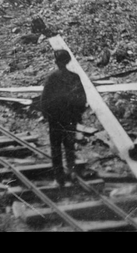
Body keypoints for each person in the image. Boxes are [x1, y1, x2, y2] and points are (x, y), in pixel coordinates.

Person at [37, 49, 88, 185]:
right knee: (69, 146)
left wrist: (46, 115)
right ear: (68, 61)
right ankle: (71, 173)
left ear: (56, 61)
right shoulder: (75, 77)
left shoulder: (52, 77)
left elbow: (44, 99)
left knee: (56, 147)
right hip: (70, 118)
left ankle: (59, 178)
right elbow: (82, 99)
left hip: (55, 119)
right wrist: (78, 115)